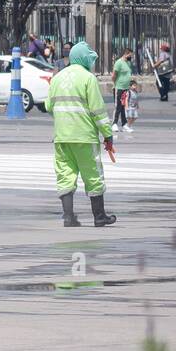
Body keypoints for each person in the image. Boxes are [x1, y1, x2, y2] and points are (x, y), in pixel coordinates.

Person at [49, 40, 116, 227]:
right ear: (84, 58)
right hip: (85, 137)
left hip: (62, 137)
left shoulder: (57, 78)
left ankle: (69, 217)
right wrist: (107, 135)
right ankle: (99, 216)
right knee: (93, 174)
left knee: (65, 175)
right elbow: (97, 111)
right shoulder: (88, 78)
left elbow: (48, 106)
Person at [111, 49, 133, 131]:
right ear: (126, 54)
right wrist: (115, 84)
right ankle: (114, 123)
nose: (131, 57)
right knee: (118, 107)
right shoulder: (118, 63)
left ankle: (124, 124)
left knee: (124, 106)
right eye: (130, 55)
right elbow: (114, 75)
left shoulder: (128, 63)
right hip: (119, 88)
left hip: (126, 88)